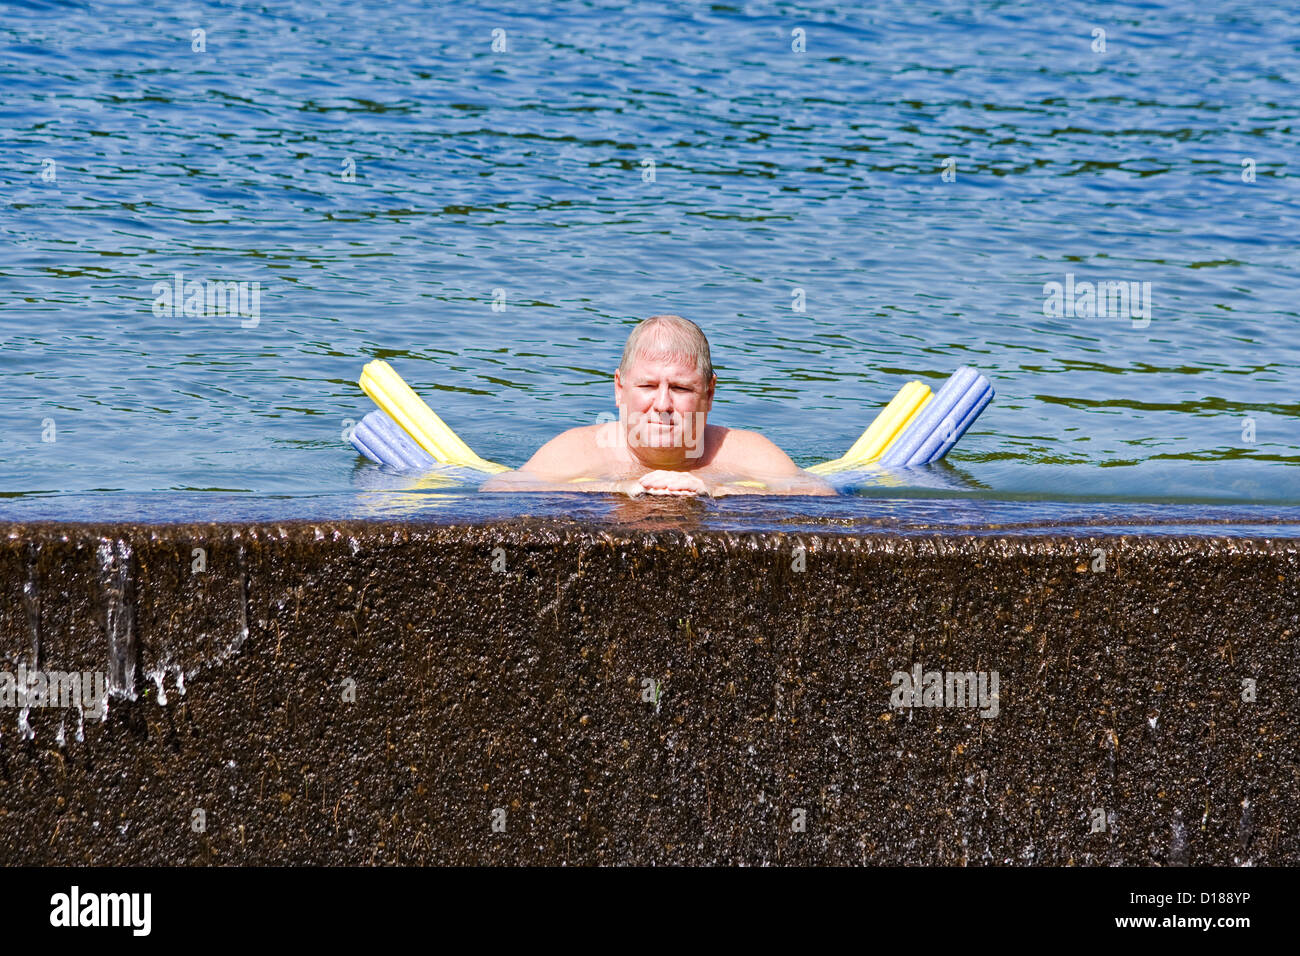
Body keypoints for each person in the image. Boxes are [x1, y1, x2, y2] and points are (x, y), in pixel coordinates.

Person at [479, 314, 836, 496]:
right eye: (648, 385)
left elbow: (819, 494)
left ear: (709, 394)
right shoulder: (585, 450)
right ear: (619, 389)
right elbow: (499, 489)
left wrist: (718, 491)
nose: (662, 404)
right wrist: (610, 489)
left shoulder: (740, 451)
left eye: (680, 388)